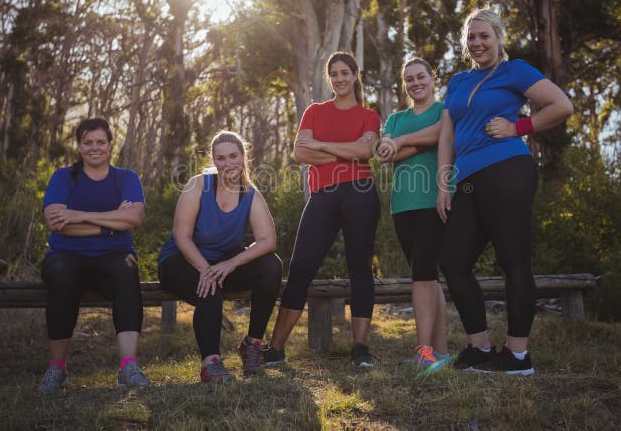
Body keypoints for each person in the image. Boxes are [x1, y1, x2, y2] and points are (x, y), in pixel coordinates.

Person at [437, 9, 573, 376]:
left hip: (507, 170)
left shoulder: (515, 71)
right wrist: (443, 184)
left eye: (484, 36)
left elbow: (562, 105)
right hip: (466, 179)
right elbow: (447, 136)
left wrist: (519, 127)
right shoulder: (458, 81)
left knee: (513, 260)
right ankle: (480, 348)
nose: (478, 43)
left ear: (499, 38)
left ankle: (517, 356)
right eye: (472, 38)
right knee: (452, 260)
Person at [263, 51, 381, 368]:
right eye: (334, 74)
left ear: (356, 75)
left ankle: (359, 348)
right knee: (300, 267)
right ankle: (275, 349)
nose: (340, 78)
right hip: (323, 194)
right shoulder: (314, 111)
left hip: (360, 193)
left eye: (345, 72)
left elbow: (365, 150)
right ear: (329, 78)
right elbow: (301, 153)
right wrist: (348, 153)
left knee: (360, 268)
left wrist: (323, 145)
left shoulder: (369, 116)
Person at [158, 131, 281, 383]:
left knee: (271, 266)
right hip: (181, 260)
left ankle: (252, 346)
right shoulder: (198, 185)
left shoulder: (251, 195)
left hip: (222, 262)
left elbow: (268, 240)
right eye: (221, 158)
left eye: (233, 156)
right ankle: (210, 364)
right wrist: (206, 269)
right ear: (214, 160)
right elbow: (182, 237)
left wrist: (232, 262)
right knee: (210, 287)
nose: (228, 163)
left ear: (243, 156)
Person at [39, 117, 150, 393]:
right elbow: (56, 223)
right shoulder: (63, 177)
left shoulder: (126, 178)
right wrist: (109, 226)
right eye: (88, 142)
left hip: (115, 257)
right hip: (67, 255)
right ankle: (57, 370)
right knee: (62, 272)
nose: (95, 148)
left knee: (127, 269)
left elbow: (134, 217)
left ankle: (128, 366)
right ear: (79, 147)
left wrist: (79, 215)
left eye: (101, 142)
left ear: (111, 145)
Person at [376, 57, 450, 371]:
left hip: (433, 200)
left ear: (432, 78)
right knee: (428, 277)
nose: (415, 83)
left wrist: (404, 143)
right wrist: (424, 142)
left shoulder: (444, 111)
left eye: (421, 77)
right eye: (409, 79)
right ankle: (441, 352)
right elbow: (383, 154)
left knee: (422, 273)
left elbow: (442, 136)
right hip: (402, 205)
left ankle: (425, 352)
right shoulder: (395, 117)